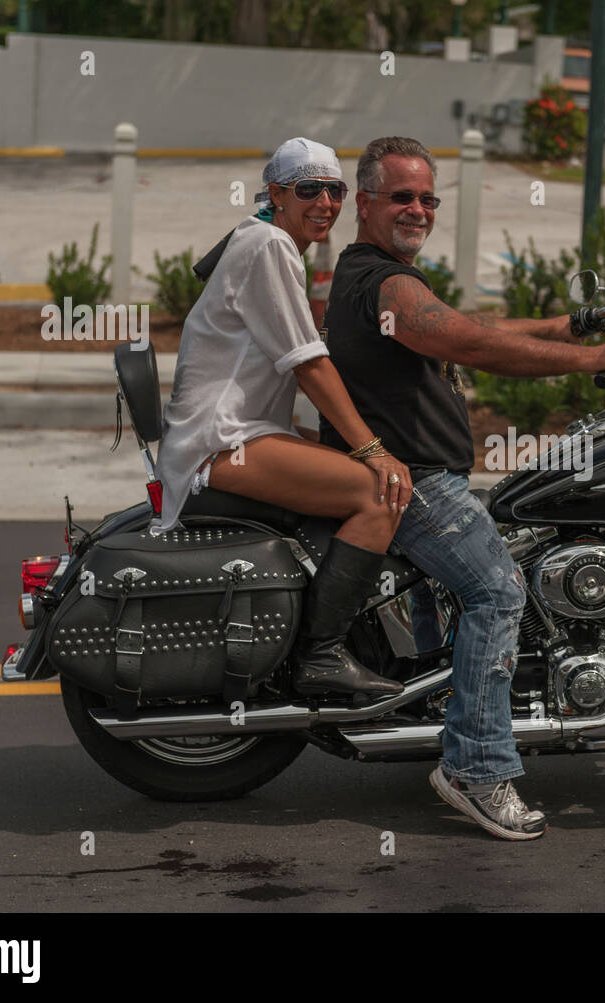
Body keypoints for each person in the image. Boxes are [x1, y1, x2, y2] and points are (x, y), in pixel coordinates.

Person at [317, 136, 605, 840]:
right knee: (498, 589)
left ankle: (455, 719)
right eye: (401, 196)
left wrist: (567, 324)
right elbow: (470, 345)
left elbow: (469, 328)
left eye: (428, 197)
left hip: (425, 474)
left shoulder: (384, 279)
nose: (417, 208)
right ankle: (476, 767)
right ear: (366, 203)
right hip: (415, 482)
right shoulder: (383, 282)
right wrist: (589, 357)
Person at [154, 137, 412, 699]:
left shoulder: (266, 242)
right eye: (308, 189)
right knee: (380, 492)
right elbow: (308, 365)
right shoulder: (269, 245)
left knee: (356, 475)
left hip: (232, 437)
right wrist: (373, 449)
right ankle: (320, 655)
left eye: (335, 190)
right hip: (221, 445)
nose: (324, 202)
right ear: (276, 193)